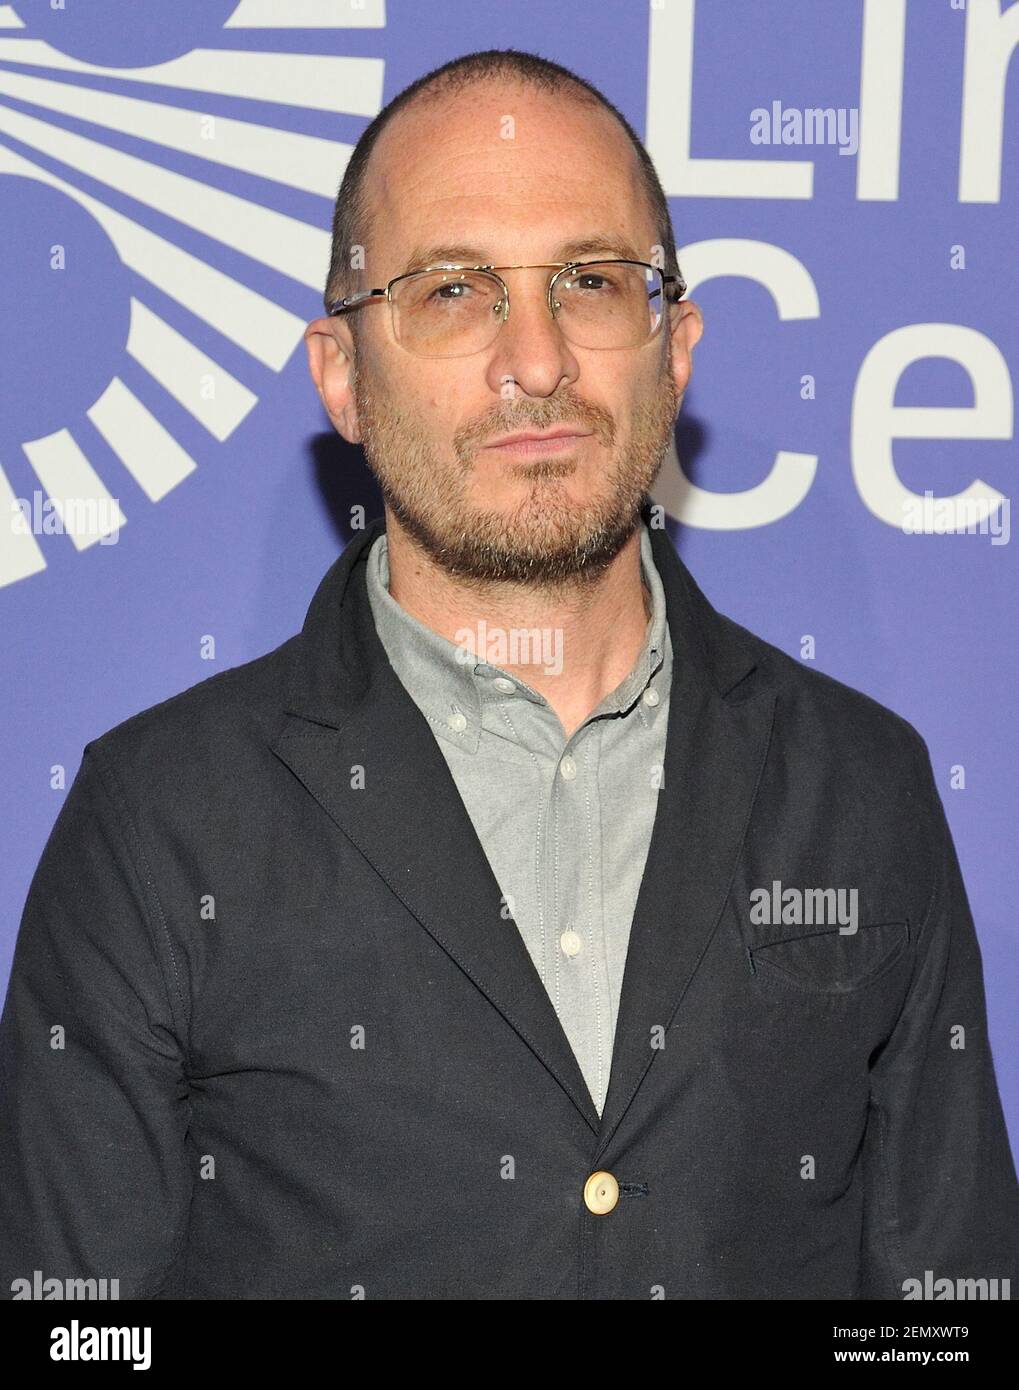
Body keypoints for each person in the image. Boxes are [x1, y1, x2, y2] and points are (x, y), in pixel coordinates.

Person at [1, 49, 1016, 1301]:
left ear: (674, 342)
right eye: (451, 290)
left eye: (589, 281)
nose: (533, 359)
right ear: (340, 374)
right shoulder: (157, 821)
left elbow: (945, 1312)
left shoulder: (861, 785)